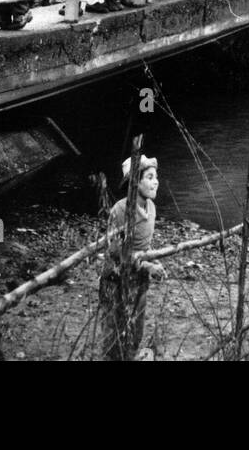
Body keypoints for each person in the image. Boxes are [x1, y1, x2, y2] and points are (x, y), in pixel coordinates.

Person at [99, 154, 165, 360]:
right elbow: (118, 253)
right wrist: (147, 266)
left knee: (136, 329)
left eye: (156, 176)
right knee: (114, 332)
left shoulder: (151, 208)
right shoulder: (120, 211)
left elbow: (145, 245)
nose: (156, 181)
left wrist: (154, 261)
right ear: (135, 182)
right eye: (150, 177)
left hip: (139, 280)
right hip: (116, 280)